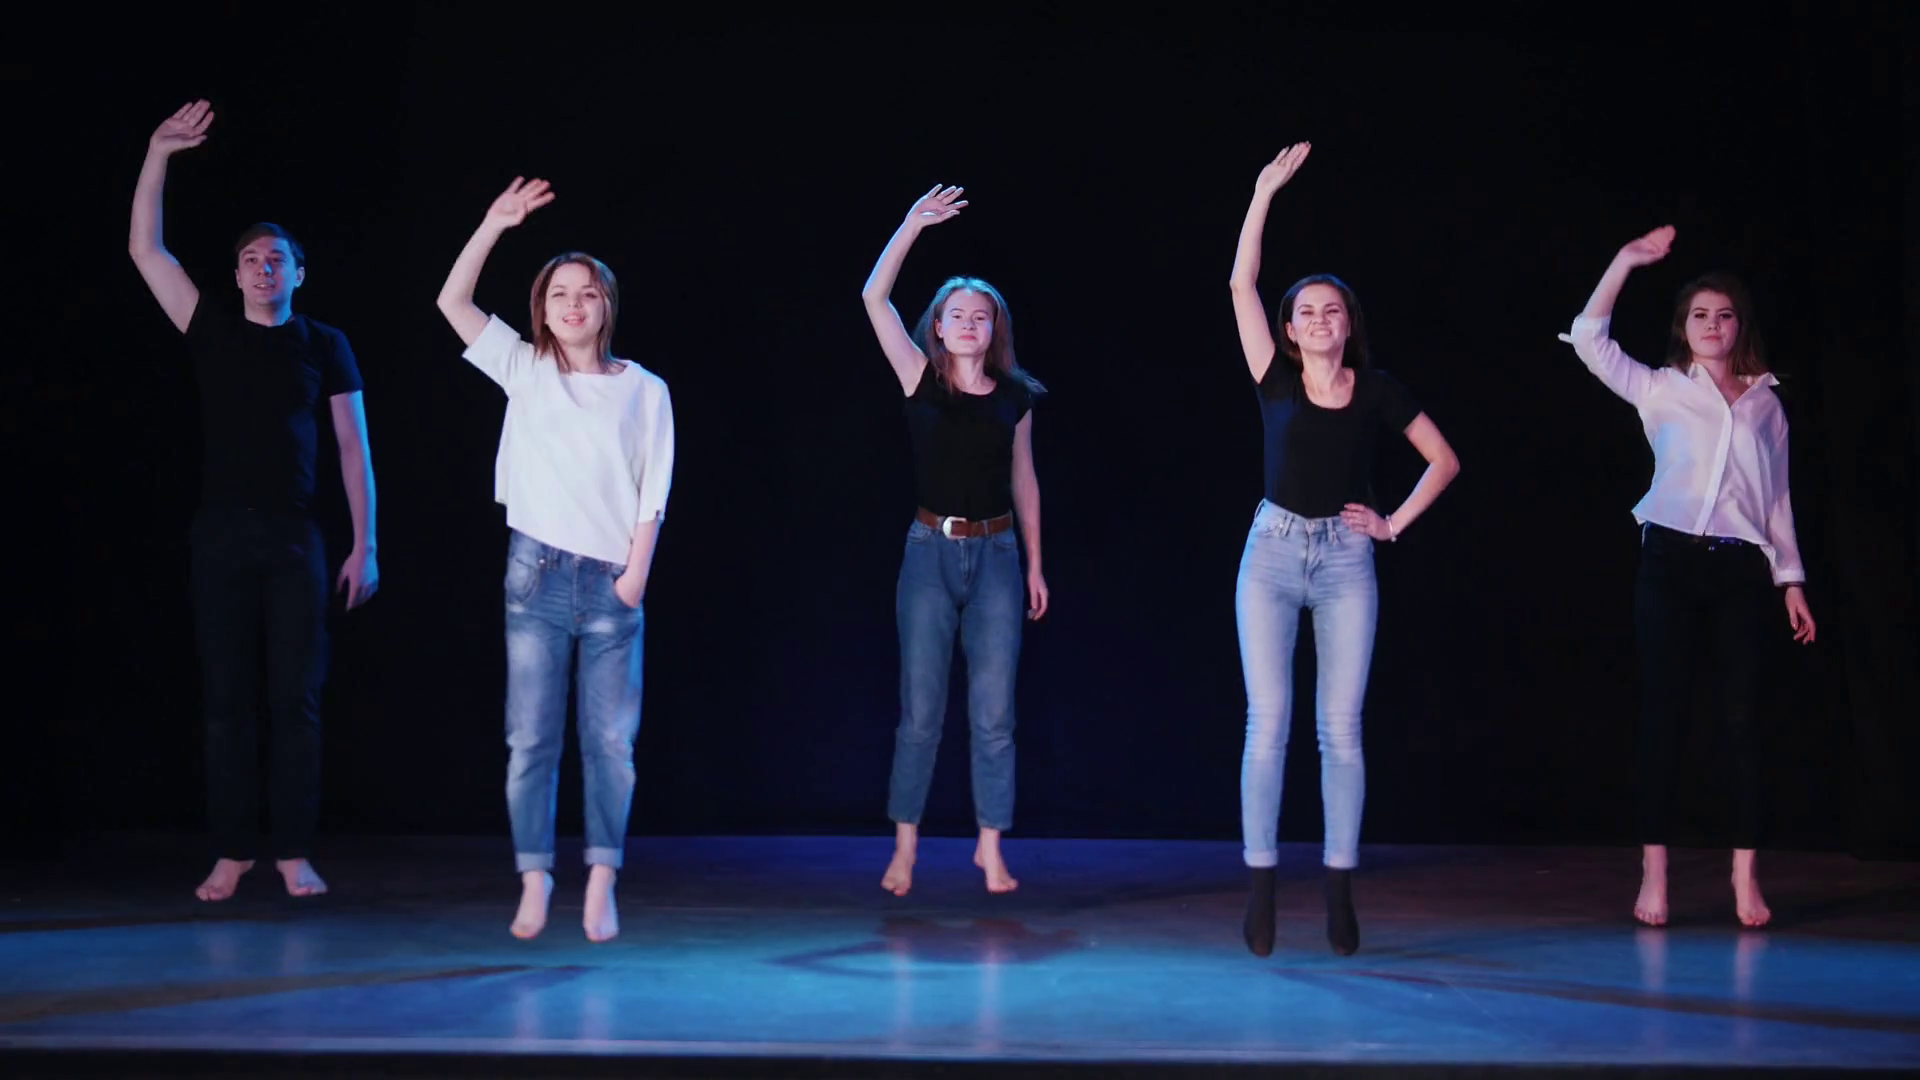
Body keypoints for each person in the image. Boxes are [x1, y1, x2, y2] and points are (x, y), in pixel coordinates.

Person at [128, 100, 380, 903]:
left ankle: (294, 851)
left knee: (295, 698)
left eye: (279, 259)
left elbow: (352, 448)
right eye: (252, 259)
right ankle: (234, 850)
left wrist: (364, 543)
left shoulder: (324, 343)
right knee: (227, 697)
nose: (265, 267)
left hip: (297, 539)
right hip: (220, 537)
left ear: (299, 273)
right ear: (236, 274)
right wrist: (157, 152)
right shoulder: (208, 325)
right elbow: (145, 248)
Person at [1228, 144, 1461, 957]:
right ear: (1290, 332)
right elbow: (1239, 285)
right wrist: (1263, 192)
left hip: (1344, 561)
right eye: (1308, 312)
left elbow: (1445, 460)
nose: (1321, 321)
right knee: (1269, 724)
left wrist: (1392, 522)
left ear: (1347, 324)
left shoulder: (1379, 389)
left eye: (1333, 311)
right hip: (1271, 551)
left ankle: (1337, 887)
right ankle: (1260, 888)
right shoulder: (1277, 380)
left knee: (1341, 729)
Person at [435, 177, 674, 943]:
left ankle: (602, 877)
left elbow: (653, 489)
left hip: (611, 581)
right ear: (541, 309)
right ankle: (535, 877)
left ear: (607, 306)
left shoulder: (645, 389)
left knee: (610, 743)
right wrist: (492, 223)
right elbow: (452, 302)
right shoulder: (525, 369)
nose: (573, 305)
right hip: (534, 576)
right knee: (530, 739)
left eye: (588, 294)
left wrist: (636, 572)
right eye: (559, 294)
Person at [1562, 225, 1816, 930]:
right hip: (1669, 560)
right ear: (1684, 327)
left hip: (1740, 566)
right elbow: (1589, 340)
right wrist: (1623, 261)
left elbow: (1777, 499)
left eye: (1724, 314)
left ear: (1741, 326)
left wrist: (1789, 579)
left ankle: (1744, 875)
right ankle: (1655, 872)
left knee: (1742, 722)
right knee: (1663, 718)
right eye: (1700, 315)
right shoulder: (1661, 389)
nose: (1712, 325)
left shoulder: (1767, 403)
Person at [859, 184, 1050, 897]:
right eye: (955, 314)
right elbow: (874, 298)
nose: (968, 323)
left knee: (995, 714)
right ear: (937, 327)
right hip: (929, 553)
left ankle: (990, 849)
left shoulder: (1014, 397)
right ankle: (905, 847)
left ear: (994, 329)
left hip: (998, 556)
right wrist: (910, 224)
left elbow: (1025, 480)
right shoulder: (918, 378)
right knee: (921, 711)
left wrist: (1035, 564)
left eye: (980, 315)